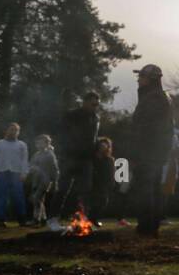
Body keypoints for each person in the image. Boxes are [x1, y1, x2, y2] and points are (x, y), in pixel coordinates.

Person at [131, 65, 174, 237]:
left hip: (148, 152)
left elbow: (145, 129)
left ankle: (147, 226)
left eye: (142, 77)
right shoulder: (158, 97)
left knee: (146, 189)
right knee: (152, 188)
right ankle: (150, 224)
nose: (139, 80)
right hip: (155, 152)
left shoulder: (154, 99)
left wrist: (136, 152)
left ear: (151, 79)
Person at [49, 91, 100, 231]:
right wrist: (64, 152)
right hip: (69, 157)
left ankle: (83, 220)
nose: (95, 106)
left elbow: (93, 138)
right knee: (63, 189)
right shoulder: (71, 115)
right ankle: (53, 219)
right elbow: (62, 134)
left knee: (85, 191)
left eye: (97, 104)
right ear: (85, 102)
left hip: (86, 159)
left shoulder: (96, 118)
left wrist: (95, 151)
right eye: (93, 103)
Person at [0, 123, 29, 228]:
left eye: (15, 130)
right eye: (11, 129)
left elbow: (25, 161)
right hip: (1, 172)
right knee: (1, 197)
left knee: (19, 197)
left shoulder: (22, 145)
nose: (13, 132)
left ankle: (22, 220)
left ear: (18, 132)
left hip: (16, 173)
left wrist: (24, 173)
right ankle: (1, 220)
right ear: (7, 130)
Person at [26, 134, 59, 227]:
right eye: (37, 143)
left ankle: (36, 219)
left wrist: (55, 181)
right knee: (39, 200)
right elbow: (30, 165)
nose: (39, 145)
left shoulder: (50, 155)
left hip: (46, 180)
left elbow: (55, 169)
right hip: (36, 180)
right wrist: (33, 168)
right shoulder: (36, 154)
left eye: (41, 143)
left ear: (47, 143)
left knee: (37, 198)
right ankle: (44, 219)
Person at [89, 137, 116, 224]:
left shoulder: (109, 160)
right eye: (101, 144)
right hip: (91, 183)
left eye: (105, 145)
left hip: (103, 184)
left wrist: (111, 184)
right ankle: (89, 219)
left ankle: (94, 219)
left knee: (103, 202)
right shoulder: (91, 158)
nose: (103, 146)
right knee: (91, 202)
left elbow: (111, 173)